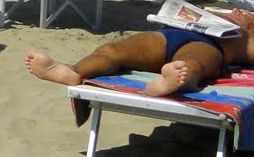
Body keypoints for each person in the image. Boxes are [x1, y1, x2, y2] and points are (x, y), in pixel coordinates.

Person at [26, 9, 254, 98]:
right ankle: (72, 71)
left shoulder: (248, 36)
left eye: (244, 13)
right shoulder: (226, 13)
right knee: (112, 50)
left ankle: (169, 83)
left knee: (189, 64)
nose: (237, 11)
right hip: (169, 34)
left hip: (208, 44)